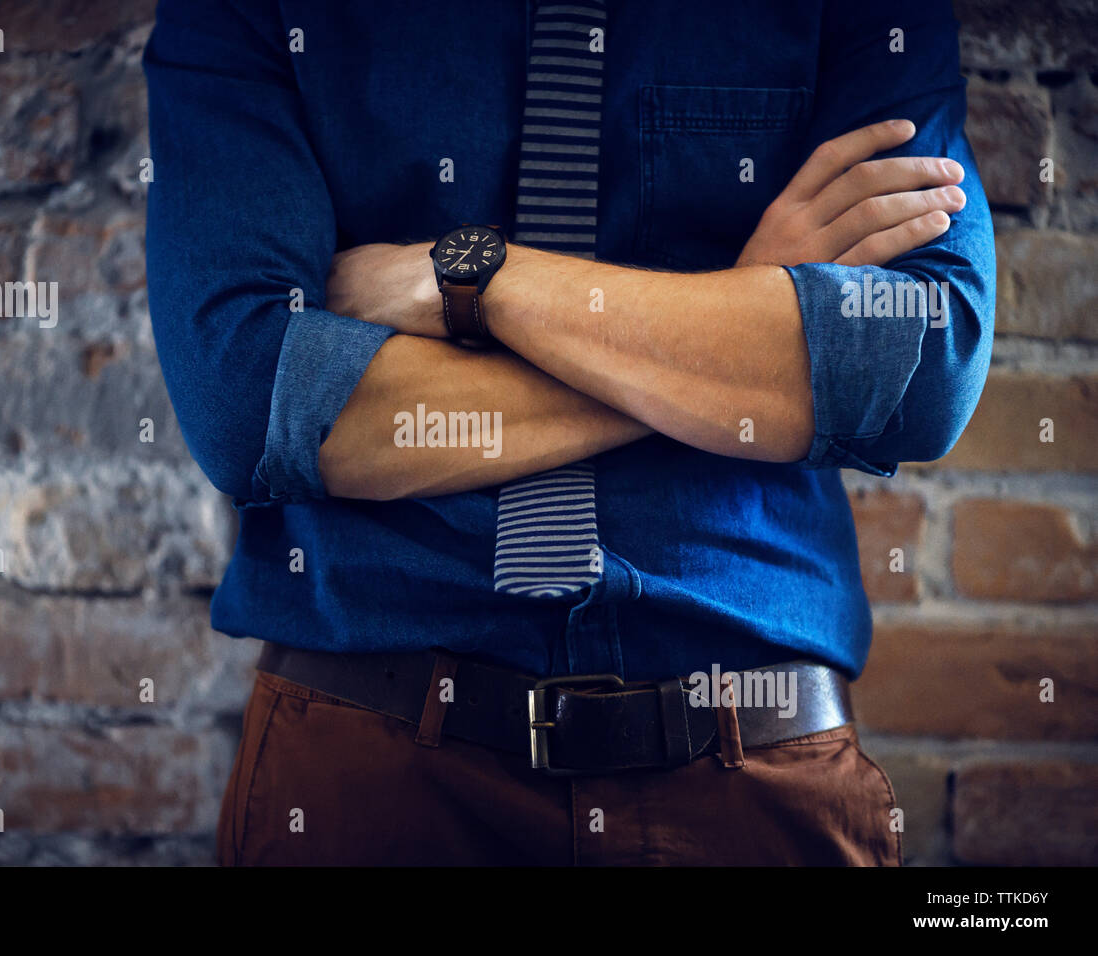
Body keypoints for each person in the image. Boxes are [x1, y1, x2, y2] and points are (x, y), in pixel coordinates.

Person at [142, 0, 994, 865]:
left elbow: (919, 363)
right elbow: (250, 399)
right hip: (367, 767)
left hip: (756, 770)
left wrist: (467, 279)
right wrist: (735, 313)